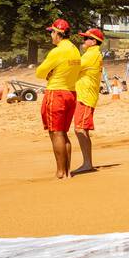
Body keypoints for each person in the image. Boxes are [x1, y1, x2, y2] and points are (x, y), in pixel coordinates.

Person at [35, 19, 81, 179]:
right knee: (63, 133)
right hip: (71, 93)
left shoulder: (58, 51)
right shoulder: (75, 49)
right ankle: (67, 170)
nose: (50, 36)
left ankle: (61, 172)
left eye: (51, 33)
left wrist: (49, 73)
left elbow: (39, 72)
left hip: (56, 93)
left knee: (56, 133)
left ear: (57, 34)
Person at [71, 28, 105, 175]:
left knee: (80, 129)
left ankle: (87, 163)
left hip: (86, 97)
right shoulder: (92, 54)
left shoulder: (92, 54)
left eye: (86, 38)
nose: (83, 41)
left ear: (94, 41)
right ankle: (87, 162)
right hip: (84, 95)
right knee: (81, 129)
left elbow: (74, 66)